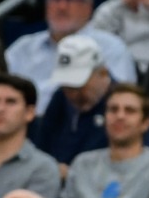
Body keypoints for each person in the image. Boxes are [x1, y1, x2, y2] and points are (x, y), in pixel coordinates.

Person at [5, 0, 138, 104]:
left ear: (88, 6)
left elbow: (123, 101)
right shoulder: (22, 48)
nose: (62, 7)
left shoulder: (111, 48)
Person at [32, 35, 113, 166]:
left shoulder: (122, 106)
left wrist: (70, 173)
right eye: (67, 87)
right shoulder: (60, 97)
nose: (72, 94)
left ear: (103, 73)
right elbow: (42, 145)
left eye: (79, 87)